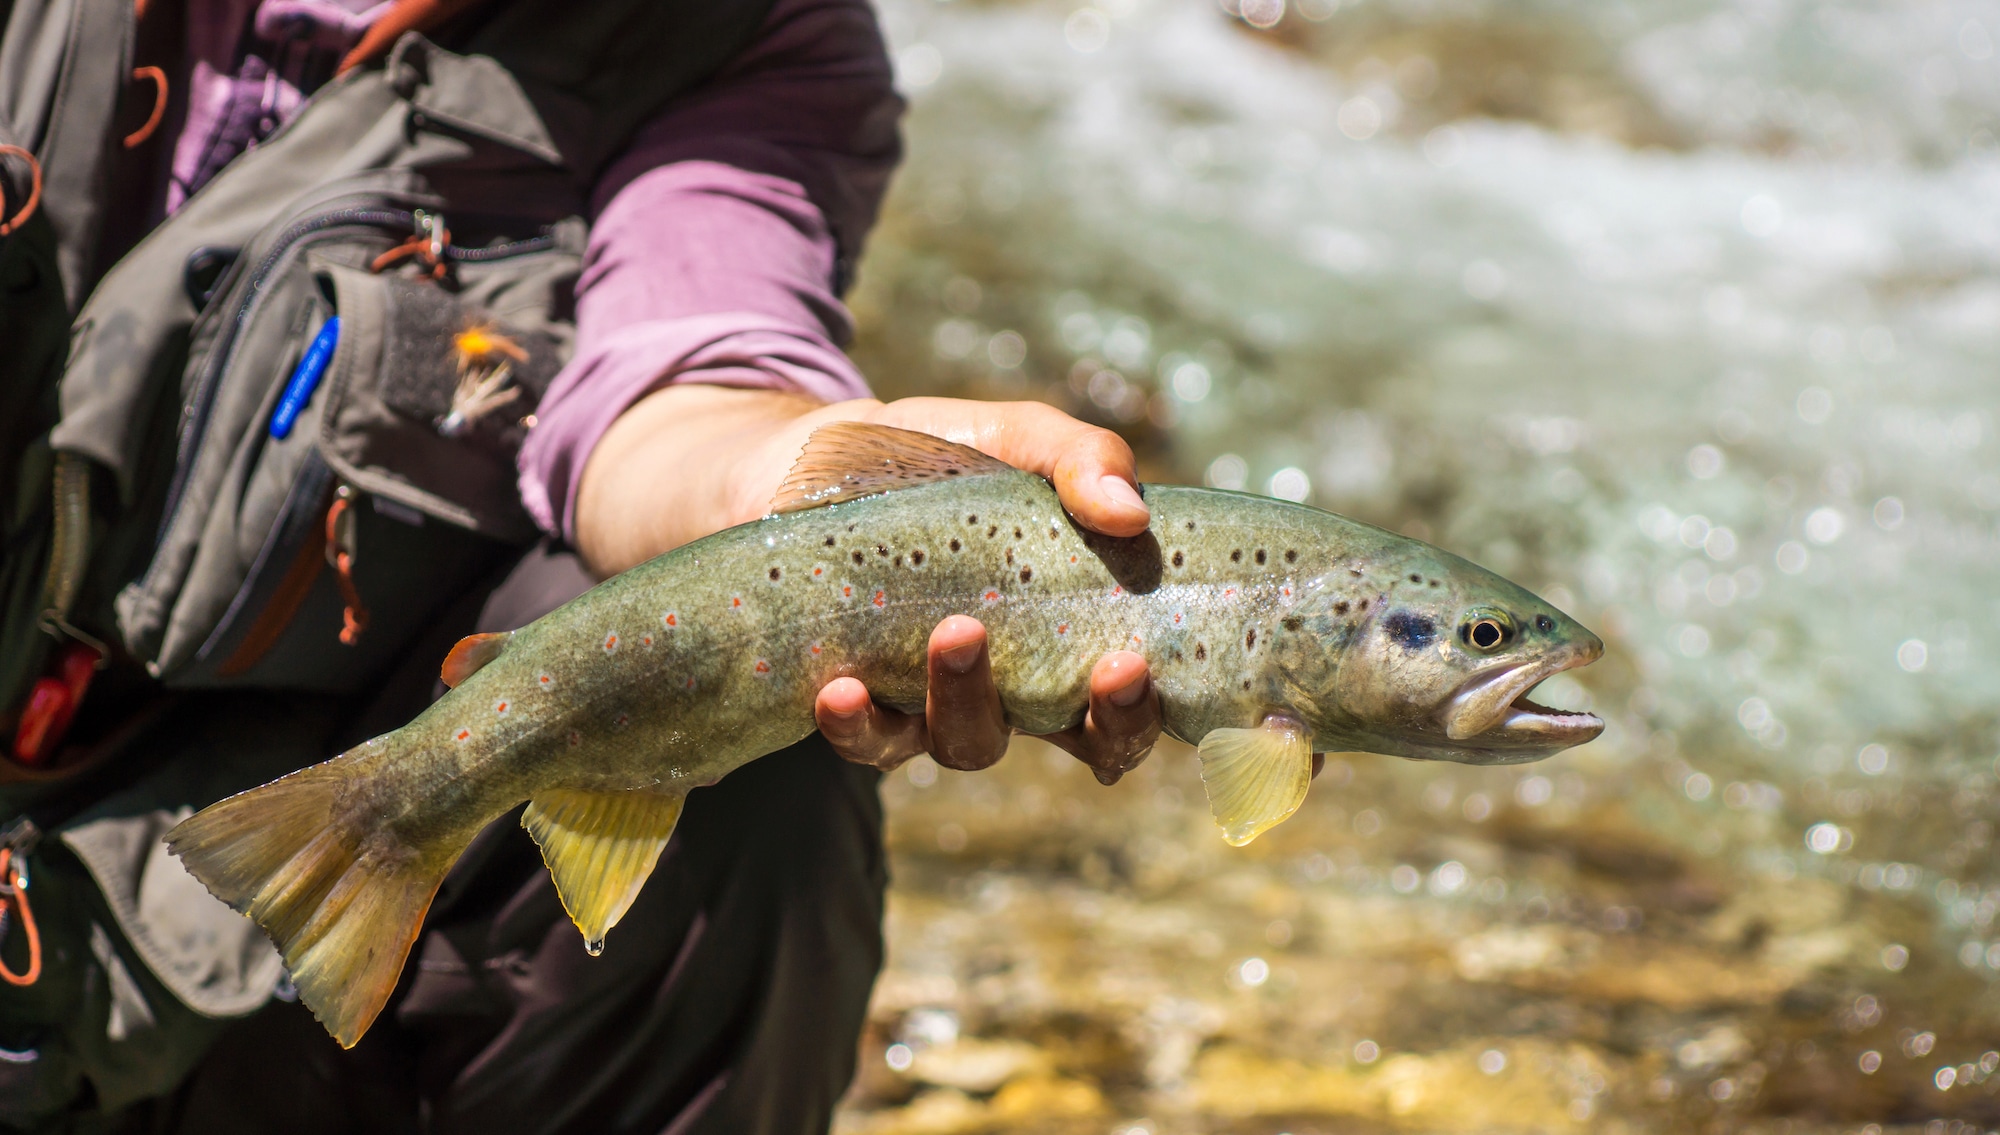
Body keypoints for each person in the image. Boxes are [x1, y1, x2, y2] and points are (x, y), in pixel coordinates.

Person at [0, 0, 1160, 1130]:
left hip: (225, 929)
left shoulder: (752, 31)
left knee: (763, 745)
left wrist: (802, 486)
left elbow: (675, 390)